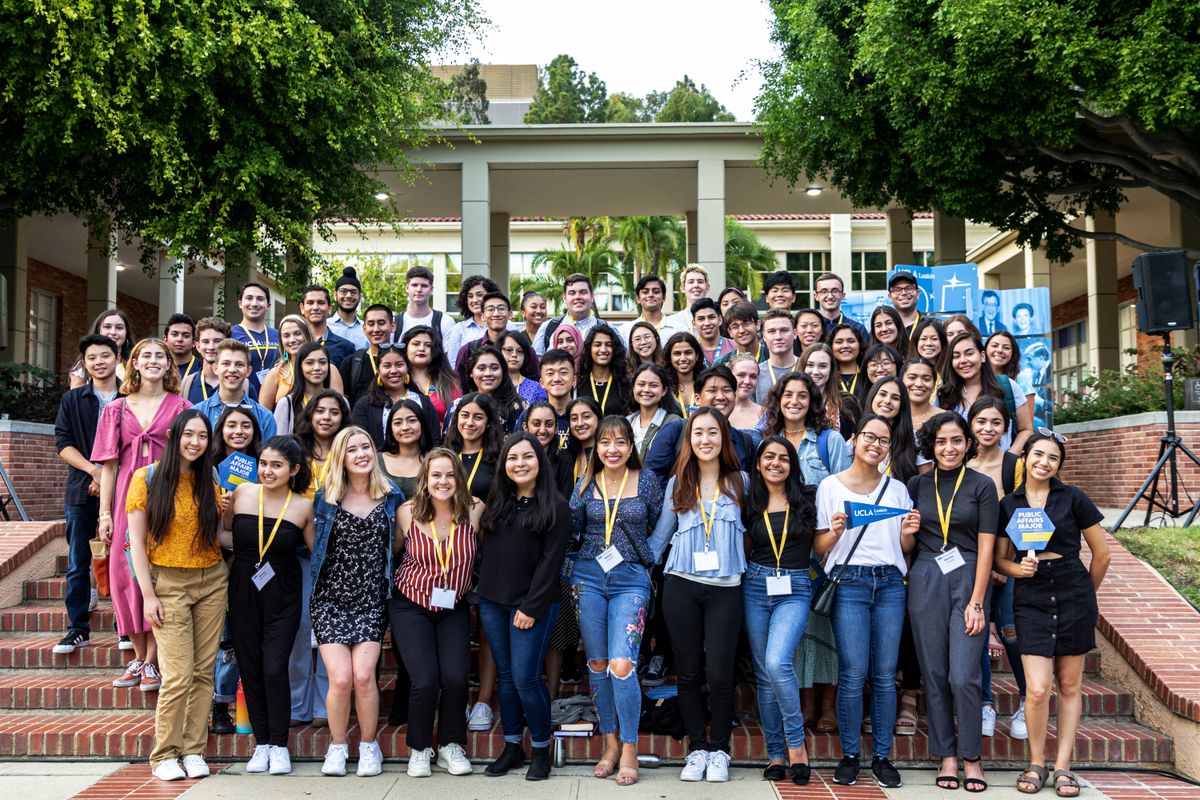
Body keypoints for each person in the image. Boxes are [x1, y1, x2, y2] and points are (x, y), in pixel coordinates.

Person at [998, 430, 1110, 798]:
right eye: (1038, 455)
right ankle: (1036, 762)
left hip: (1072, 588)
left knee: (1070, 685)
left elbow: (1101, 553)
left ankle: (1063, 767)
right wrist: (1018, 571)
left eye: (1053, 458)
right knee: (1038, 688)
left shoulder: (1073, 498)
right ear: (1025, 457)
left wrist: (1085, 596)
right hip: (1030, 594)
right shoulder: (1009, 504)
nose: (1044, 463)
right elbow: (1000, 560)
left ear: (1059, 465)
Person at [815, 415, 919, 788]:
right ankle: (849, 755)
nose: (876, 444)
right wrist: (836, 532)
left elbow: (903, 549)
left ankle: (882, 756)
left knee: (885, 675)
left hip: (890, 582)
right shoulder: (829, 486)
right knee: (853, 673)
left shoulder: (897, 489)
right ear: (854, 439)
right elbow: (820, 546)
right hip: (850, 583)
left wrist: (908, 534)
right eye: (869, 437)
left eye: (884, 440)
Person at [126, 410, 226, 781]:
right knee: (178, 674)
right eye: (189, 435)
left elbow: (215, 536)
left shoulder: (209, 478)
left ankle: (193, 749)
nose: (196, 442)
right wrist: (148, 595)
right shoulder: (147, 478)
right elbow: (135, 542)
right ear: (174, 436)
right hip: (167, 583)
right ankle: (164, 753)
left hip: (212, 579)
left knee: (203, 673)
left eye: (203, 437)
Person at [648, 409, 747, 783]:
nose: (705, 440)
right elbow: (660, 537)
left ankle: (719, 749)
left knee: (720, 674)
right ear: (688, 440)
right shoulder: (678, 483)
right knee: (687, 672)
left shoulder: (742, 482)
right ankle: (697, 750)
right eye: (698, 433)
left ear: (724, 438)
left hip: (726, 589)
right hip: (681, 585)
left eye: (713, 433)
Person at [94, 338, 193, 690]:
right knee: (125, 574)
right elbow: (108, 466)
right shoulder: (116, 410)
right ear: (134, 363)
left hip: (167, 498)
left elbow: (190, 457)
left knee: (160, 572)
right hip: (125, 500)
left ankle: (153, 661)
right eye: (145, 355)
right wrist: (104, 513)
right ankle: (137, 657)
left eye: (160, 357)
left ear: (169, 365)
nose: (153, 361)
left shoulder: (182, 406)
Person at [569, 416, 664, 786]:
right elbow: (573, 530)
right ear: (597, 447)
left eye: (621, 442)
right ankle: (608, 741)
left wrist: (647, 559)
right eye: (605, 443)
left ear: (631, 447)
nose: (613, 449)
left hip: (630, 580)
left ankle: (628, 746)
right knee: (598, 663)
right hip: (588, 578)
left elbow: (659, 523)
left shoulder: (649, 482)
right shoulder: (585, 484)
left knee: (622, 665)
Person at [906, 411, 998, 793]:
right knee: (935, 675)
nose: (949, 448)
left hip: (969, 577)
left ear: (967, 443)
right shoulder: (916, 484)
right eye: (941, 441)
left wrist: (977, 601)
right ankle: (946, 755)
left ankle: (971, 756)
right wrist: (907, 534)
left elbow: (989, 547)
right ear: (931, 444)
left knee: (964, 675)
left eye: (956, 440)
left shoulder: (983, 485)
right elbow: (906, 548)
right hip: (926, 577)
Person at [310, 427, 405, 777]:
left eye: (366, 447)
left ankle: (368, 745)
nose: (362, 454)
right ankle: (337, 747)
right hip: (331, 599)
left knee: (364, 676)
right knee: (340, 679)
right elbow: (314, 545)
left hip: (371, 599)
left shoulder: (391, 497)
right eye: (352, 450)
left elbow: (396, 546)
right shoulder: (325, 499)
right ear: (341, 458)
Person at [478, 433, 572, 780]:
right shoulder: (498, 501)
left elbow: (551, 563)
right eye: (512, 458)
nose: (520, 463)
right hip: (492, 602)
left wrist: (530, 607)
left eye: (527, 457)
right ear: (503, 464)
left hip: (532, 606)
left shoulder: (556, 506)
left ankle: (542, 749)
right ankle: (513, 746)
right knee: (505, 678)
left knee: (526, 678)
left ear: (540, 462)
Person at [221, 436, 314, 776]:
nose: (267, 470)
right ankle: (261, 744)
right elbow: (226, 533)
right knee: (251, 668)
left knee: (275, 667)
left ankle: (279, 744)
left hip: (284, 592)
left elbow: (315, 554)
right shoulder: (244, 492)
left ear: (294, 470)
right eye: (263, 463)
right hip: (243, 587)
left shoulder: (303, 505)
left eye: (277, 465)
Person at [391, 449, 486, 778]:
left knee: (457, 677)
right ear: (425, 480)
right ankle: (419, 749)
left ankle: (450, 745)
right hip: (410, 604)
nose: (443, 481)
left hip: (452, 606)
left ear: (459, 478)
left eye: (449, 475)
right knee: (426, 679)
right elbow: (392, 555)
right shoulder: (406, 513)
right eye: (436, 476)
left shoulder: (474, 510)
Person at [741, 436, 817, 785]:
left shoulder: (808, 498)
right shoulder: (749, 502)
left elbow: (819, 544)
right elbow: (743, 548)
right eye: (768, 457)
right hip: (756, 586)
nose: (775, 463)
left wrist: (841, 529)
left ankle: (797, 746)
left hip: (795, 587)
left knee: (776, 662)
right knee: (763, 673)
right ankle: (775, 753)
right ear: (758, 464)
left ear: (792, 465)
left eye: (783, 458)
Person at [53, 334, 121, 655]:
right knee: (78, 562)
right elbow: (63, 444)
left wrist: (108, 475)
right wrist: (94, 471)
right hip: (81, 490)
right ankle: (78, 628)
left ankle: (125, 625)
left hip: (122, 490)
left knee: (124, 557)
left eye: (105, 356)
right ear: (85, 362)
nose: (99, 362)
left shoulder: (128, 397)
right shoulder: (73, 399)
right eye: (92, 357)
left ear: (117, 359)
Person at [967, 396, 1028, 740]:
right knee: (975, 633)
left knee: (1010, 630)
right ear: (970, 424)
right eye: (981, 421)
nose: (987, 429)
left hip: (1009, 561)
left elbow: (1020, 515)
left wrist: (1002, 564)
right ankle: (985, 703)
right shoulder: (961, 462)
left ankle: (1025, 700)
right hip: (972, 564)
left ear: (1006, 427)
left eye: (995, 422)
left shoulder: (1014, 465)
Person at [288, 391, 350, 726]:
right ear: (309, 415)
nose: (326, 417)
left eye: (334, 412)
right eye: (320, 411)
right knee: (299, 628)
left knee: (331, 630)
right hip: (299, 551)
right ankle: (298, 705)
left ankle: (327, 706)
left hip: (339, 554)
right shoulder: (294, 450)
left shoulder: (349, 451)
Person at [209, 404, 262, 733]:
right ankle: (219, 703)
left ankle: (252, 703)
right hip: (216, 562)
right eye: (232, 426)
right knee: (226, 641)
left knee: (250, 637)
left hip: (252, 559)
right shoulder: (208, 469)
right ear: (221, 431)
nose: (239, 431)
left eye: (246, 425)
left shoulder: (263, 468)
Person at [644, 366, 756, 478]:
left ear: (734, 397)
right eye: (712, 390)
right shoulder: (675, 431)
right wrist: (674, 493)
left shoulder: (744, 441)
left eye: (727, 390)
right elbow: (653, 477)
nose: (720, 397)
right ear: (697, 399)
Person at [939, 332, 1033, 453]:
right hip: (959, 469)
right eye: (956, 356)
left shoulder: (1007, 386)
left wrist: (1009, 459)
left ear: (983, 356)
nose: (963, 360)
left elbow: (1026, 429)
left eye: (969, 353)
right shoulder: (944, 393)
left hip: (1000, 469)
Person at [761, 371, 852, 484]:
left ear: (811, 401)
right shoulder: (768, 441)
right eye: (788, 395)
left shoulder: (831, 440)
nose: (794, 401)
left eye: (802, 396)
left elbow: (845, 488)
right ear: (779, 400)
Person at [353, 344, 439, 447]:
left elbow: (435, 441)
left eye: (399, 365)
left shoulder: (424, 402)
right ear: (378, 371)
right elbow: (359, 442)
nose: (393, 371)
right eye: (387, 366)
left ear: (407, 368)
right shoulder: (364, 405)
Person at [192, 339, 277, 439]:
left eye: (239, 364)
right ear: (215, 368)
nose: (232, 370)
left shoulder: (265, 417)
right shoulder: (197, 413)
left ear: (248, 371)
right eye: (226, 364)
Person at [453, 344, 526, 434]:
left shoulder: (518, 405)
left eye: (494, 368)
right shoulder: (458, 405)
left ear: (503, 371)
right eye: (481, 368)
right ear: (471, 372)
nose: (488, 373)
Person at [445, 392, 504, 501]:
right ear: (457, 418)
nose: (470, 422)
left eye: (478, 417)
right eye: (465, 415)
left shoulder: (500, 458)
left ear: (488, 422)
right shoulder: (444, 455)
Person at [339, 304, 399, 406]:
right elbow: (344, 404)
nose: (376, 329)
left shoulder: (403, 362)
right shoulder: (351, 362)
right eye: (371, 324)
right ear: (364, 329)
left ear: (393, 326)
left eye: (381, 323)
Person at [864, 376, 921, 482]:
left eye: (895, 398)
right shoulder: (858, 438)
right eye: (882, 394)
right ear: (872, 397)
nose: (887, 401)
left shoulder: (915, 440)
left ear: (902, 405)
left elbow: (924, 484)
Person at [259, 315, 320, 411]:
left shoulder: (327, 369)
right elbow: (263, 417)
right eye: (286, 336)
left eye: (297, 333)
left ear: (307, 334)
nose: (292, 340)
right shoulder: (275, 374)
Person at [402, 325, 460, 426]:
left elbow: (457, 418)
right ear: (405, 348)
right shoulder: (397, 379)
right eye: (416, 344)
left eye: (428, 345)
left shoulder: (449, 382)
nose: (421, 348)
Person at [274, 342, 336, 436]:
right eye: (309, 363)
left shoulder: (339, 402)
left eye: (322, 362)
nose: (317, 368)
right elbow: (278, 444)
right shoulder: (287, 404)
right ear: (300, 368)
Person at [800, 342, 860, 438]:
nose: (815, 372)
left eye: (822, 366)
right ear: (803, 367)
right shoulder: (793, 403)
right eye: (810, 365)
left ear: (831, 369)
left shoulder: (848, 404)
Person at [378, 399, 435, 499]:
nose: (405, 427)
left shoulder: (435, 461)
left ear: (422, 424)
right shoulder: (377, 461)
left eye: (412, 420)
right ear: (390, 429)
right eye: (397, 423)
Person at [534, 273, 603, 354]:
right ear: (564, 298)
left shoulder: (607, 329)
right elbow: (536, 363)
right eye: (572, 293)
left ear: (592, 296)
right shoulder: (548, 328)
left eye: (583, 292)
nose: (577, 297)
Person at [627, 363, 682, 461]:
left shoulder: (674, 422)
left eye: (653, 385)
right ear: (633, 388)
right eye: (641, 384)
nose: (646, 390)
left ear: (664, 391)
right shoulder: (627, 421)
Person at [454, 291, 513, 381]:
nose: (496, 314)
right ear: (483, 316)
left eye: (501, 309)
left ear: (510, 314)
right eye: (490, 309)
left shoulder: (521, 348)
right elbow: (459, 385)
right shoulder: (469, 350)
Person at [231, 281, 279, 393]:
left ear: (268, 305)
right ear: (240, 303)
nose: (254, 303)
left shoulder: (279, 335)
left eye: (260, 299)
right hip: (243, 399)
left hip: (276, 401)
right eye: (249, 298)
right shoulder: (230, 334)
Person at [444, 275, 501, 367]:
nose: (474, 300)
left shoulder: (507, 325)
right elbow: (453, 364)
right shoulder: (459, 329)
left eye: (480, 295)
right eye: (470, 296)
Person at [69, 309, 133, 388]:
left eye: (119, 328)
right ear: (98, 330)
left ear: (127, 333)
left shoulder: (136, 363)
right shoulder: (83, 366)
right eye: (107, 327)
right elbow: (75, 398)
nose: (113, 332)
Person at [579, 324, 632, 417]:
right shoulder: (579, 383)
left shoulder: (625, 383)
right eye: (597, 345)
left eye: (608, 345)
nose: (603, 350)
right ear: (589, 349)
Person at [395, 265, 454, 346]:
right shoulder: (395, 323)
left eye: (424, 286)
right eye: (414, 285)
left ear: (431, 289)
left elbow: (448, 357)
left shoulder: (445, 322)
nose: (419, 290)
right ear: (407, 288)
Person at [299, 284, 355, 367]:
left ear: (329, 308)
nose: (315, 307)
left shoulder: (346, 347)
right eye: (310, 303)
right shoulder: (292, 344)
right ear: (302, 308)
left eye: (321, 303)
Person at [181, 317, 232, 405]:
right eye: (205, 341)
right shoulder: (186, 385)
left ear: (227, 344)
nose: (211, 347)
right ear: (198, 346)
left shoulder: (242, 383)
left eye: (217, 341)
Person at [756, 309, 800, 403]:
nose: (778, 337)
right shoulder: (755, 374)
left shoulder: (808, 369)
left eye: (784, 330)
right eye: (772, 331)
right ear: (764, 336)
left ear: (795, 333)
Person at [814, 273, 870, 343]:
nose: (830, 296)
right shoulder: (810, 331)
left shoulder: (858, 329)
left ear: (843, 295)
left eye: (835, 291)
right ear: (816, 296)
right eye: (824, 292)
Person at [661, 264, 712, 338]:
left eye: (700, 282)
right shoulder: (671, 322)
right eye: (691, 282)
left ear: (707, 287)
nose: (696, 285)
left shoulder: (716, 319)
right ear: (682, 288)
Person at [325, 267, 370, 350]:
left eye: (353, 292)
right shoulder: (325, 326)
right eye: (343, 291)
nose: (348, 295)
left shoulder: (368, 329)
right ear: (335, 295)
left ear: (360, 296)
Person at [662, 331, 704, 418]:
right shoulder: (663, 385)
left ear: (697, 355)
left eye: (688, 353)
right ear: (670, 358)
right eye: (677, 354)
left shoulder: (707, 382)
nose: (683, 358)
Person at [498, 330, 546, 406]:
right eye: (509, 350)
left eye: (519, 351)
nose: (514, 354)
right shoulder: (492, 384)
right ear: (499, 352)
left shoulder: (536, 388)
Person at [901, 356, 940, 437]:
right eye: (912, 378)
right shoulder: (891, 415)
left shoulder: (945, 417)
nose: (919, 384)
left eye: (926, 379)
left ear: (934, 386)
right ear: (901, 382)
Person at [690, 298, 737, 367]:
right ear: (694, 324)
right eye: (701, 319)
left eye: (711, 317)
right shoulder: (691, 351)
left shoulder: (735, 347)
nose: (707, 323)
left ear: (720, 320)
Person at [622, 275, 670, 340]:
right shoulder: (625, 331)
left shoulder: (678, 329)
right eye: (645, 292)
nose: (650, 295)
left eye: (656, 292)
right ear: (638, 299)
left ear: (664, 298)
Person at [726, 353, 765, 432]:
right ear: (729, 376)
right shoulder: (717, 410)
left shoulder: (765, 415)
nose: (747, 381)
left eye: (753, 376)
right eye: (741, 375)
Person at [829, 322, 866, 398]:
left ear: (859, 344)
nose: (845, 346)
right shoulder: (827, 377)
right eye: (839, 342)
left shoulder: (868, 376)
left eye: (851, 341)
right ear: (831, 346)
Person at [164, 313, 201, 382]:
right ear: (165, 339)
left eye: (186, 336)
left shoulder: (202, 370)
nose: (180, 339)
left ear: (194, 342)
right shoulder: (158, 368)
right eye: (174, 334)